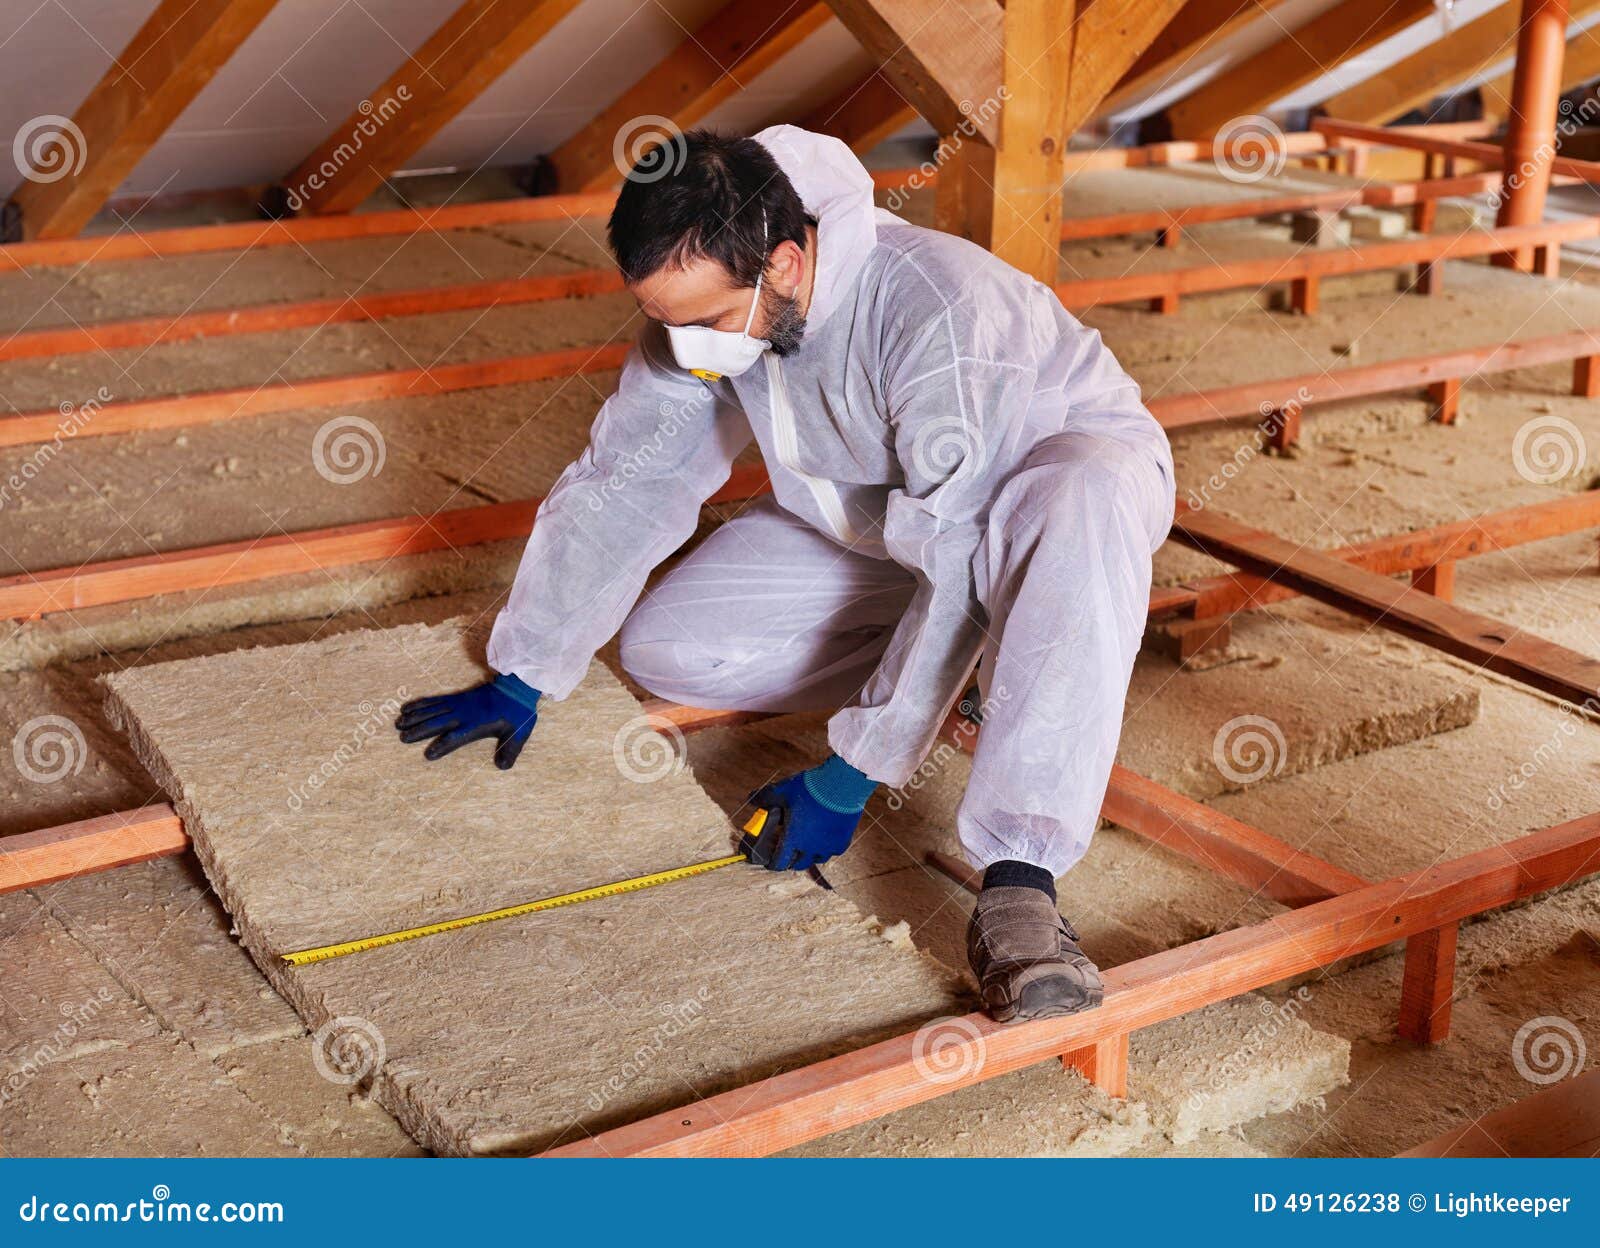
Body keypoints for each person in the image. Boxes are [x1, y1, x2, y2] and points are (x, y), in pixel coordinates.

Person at [395, 126, 1174, 1023]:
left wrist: (849, 774)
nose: (689, 349)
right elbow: (629, 479)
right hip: (883, 525)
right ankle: (963, 668)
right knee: (673, 646)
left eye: (709, 322)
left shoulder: (940, 310)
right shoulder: (707, 308)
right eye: (667, 322)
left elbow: (959, 546)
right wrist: (528, 666)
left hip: (1043, 503)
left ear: (789, 263)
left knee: (1075, 497)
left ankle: (1021, 881)